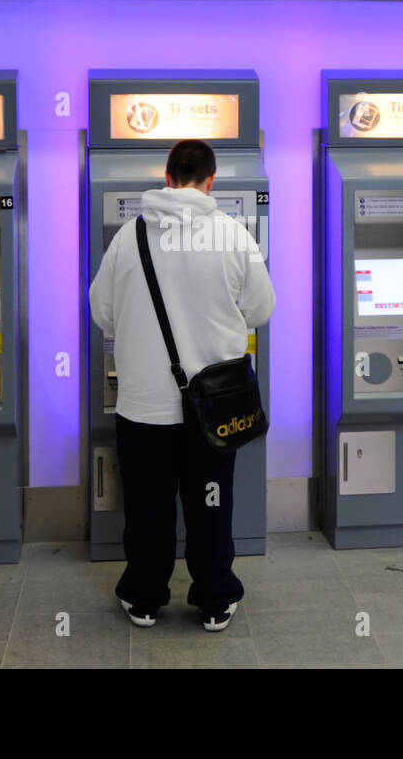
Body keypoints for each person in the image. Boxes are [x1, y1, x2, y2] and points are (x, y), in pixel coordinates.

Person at [88, 138, 275, 632]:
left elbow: (101, 312)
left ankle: (145, 599)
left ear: (166, 177)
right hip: (211, 409)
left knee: (148, 509)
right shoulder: (235, 236)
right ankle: (214, 598)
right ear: (211, 181)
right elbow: (262, 309)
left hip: (143, 407)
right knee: (210, 504)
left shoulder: (129, 237)